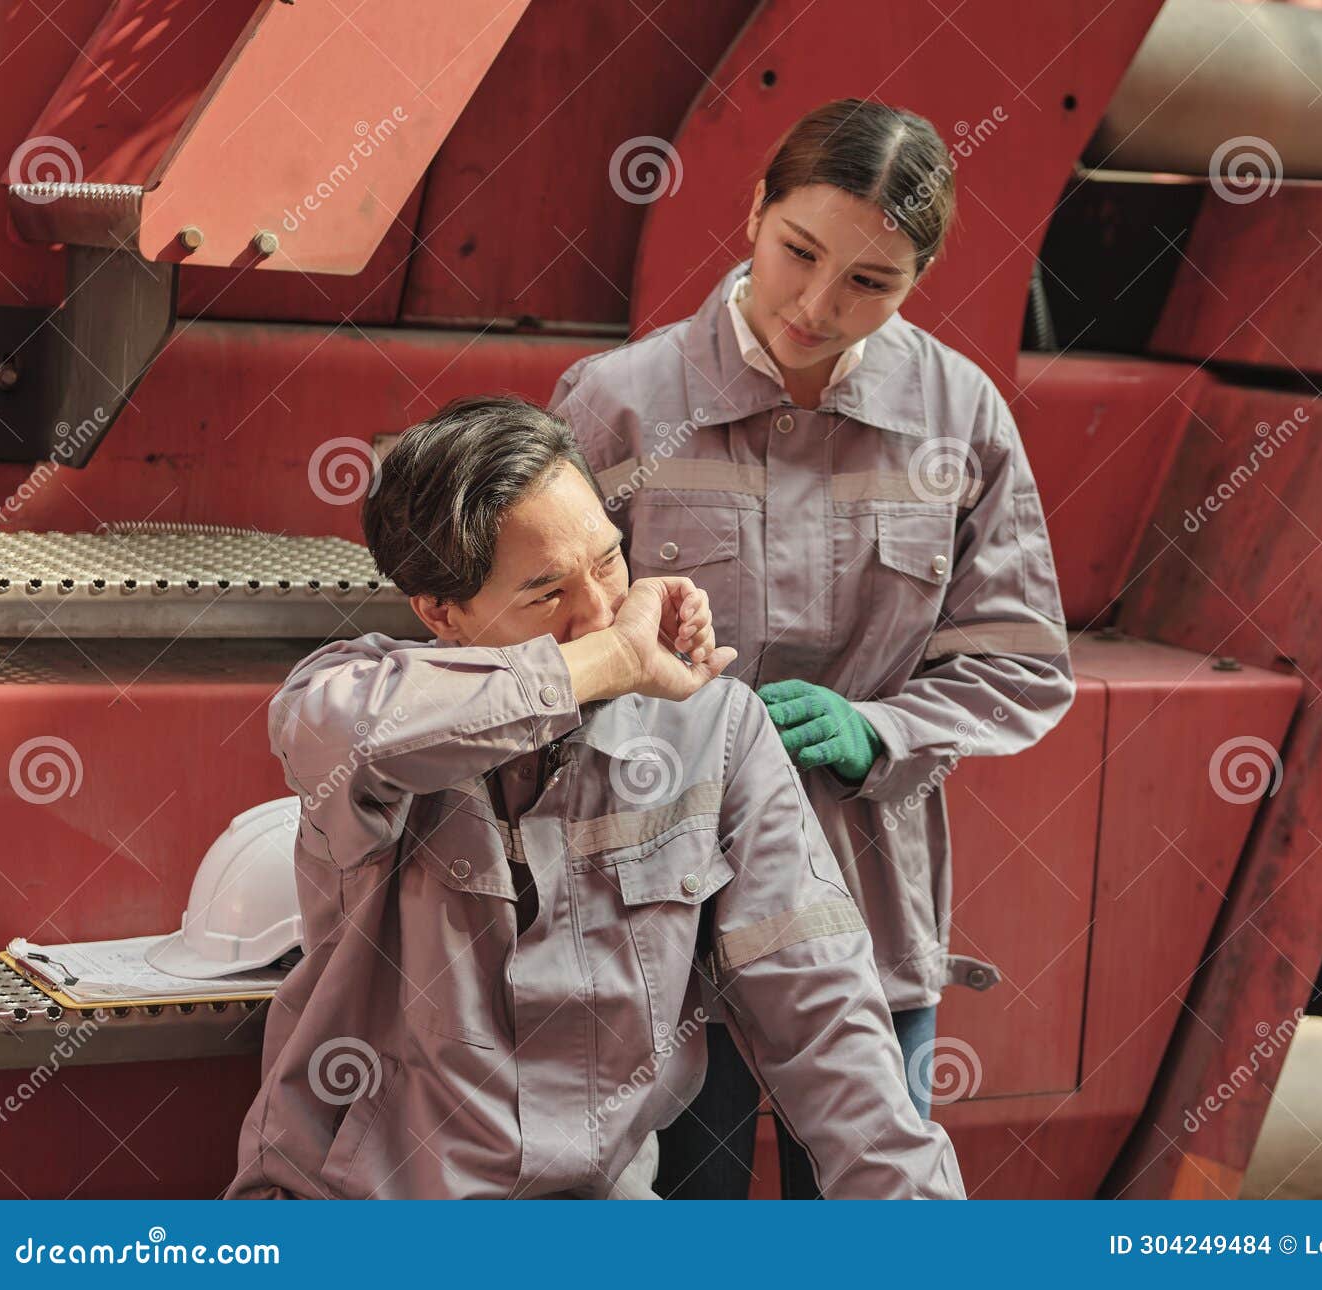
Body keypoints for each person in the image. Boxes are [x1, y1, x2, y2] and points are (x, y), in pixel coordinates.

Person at [222, 395, 964, 1200]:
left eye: (608, 562)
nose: (603, 614)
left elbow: (824, 1015)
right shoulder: (363, 707)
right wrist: (612, 660)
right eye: (547, 593)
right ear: (442, 612)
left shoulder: (712, 729)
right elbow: (354, 731)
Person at [551, 98, 1074, 1198]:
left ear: (918, 280)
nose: (816, 304)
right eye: (798, 252)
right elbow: (547, 657)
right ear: (754, 212)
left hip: (866, 917)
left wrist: (879, 728)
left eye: (869, 284)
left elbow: (1021, 661)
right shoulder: (619, 407)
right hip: (666, 926)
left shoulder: (957, 418)